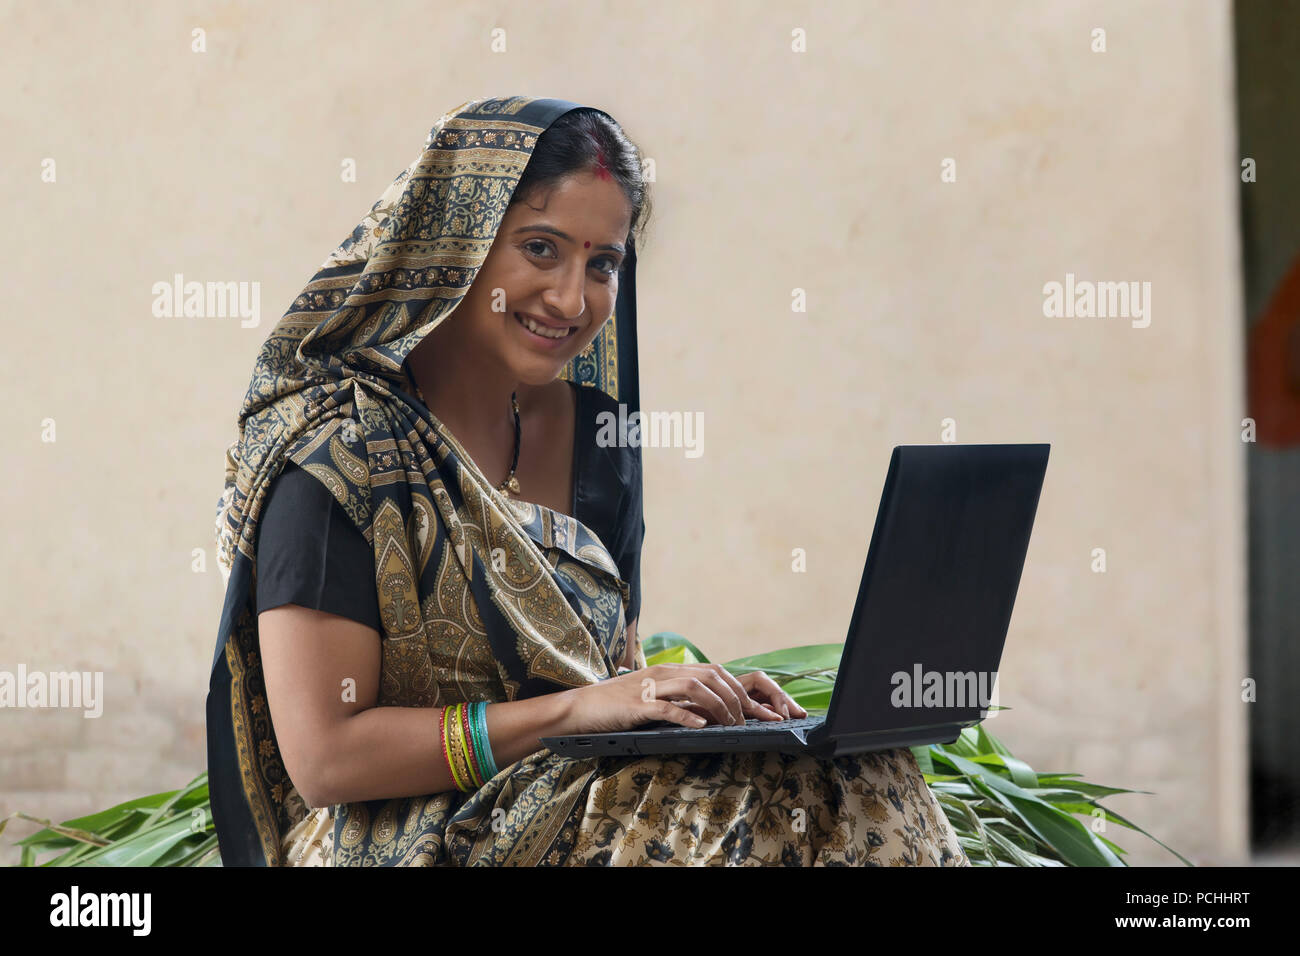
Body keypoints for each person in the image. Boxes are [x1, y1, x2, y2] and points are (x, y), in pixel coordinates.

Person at [206, 95, 969, 867]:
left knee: (855, 773)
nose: (573, 300)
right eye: (540, 249)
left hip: (581, 793)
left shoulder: (598, 441)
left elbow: (613, 680)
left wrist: (712, 708)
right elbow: (327, 760)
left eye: (602, 263)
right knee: (708, 819)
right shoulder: (340, 454)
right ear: (456, 246)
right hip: (392, 834)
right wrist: (575, 712)